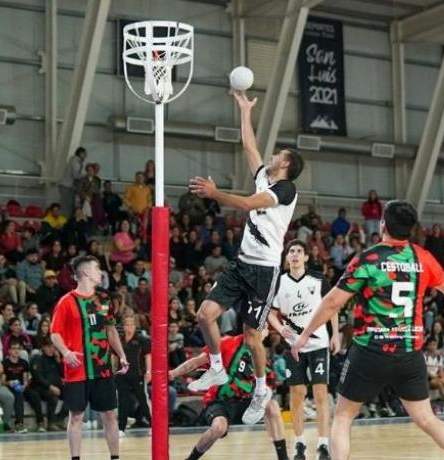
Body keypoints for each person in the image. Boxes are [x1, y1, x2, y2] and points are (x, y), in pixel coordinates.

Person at [292, 200, 444, 460]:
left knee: (343, 416)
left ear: (383, 225)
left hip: (370, 351)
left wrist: (304, 335)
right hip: (409, 352)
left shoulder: (369, 258)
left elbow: (333, 302)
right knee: (426, 418)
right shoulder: (422, 258)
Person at [186, 90, 304, 426]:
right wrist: (244, 111)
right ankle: (217, 369)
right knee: (204, 315)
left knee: (253, 337)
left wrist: (214, 194)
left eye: (278, 155)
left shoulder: (286, 191)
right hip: (241, 264)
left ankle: (262, 389)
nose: (272, 155)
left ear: (286, 165)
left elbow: (248, 205)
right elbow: (249, 147)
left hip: (264, 271)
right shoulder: (265, 178)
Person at [50, 255, 129, 460]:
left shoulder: (104, 299)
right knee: (76, 417)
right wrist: (66, 352)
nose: (100, 272)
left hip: (102, 366)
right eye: (97, 268)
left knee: (109, 415)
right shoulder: (66, 302)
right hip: (77, 369)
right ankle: (75, 458)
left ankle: (115, 457)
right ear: (85, 272)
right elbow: (54, 333)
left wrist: (121, 355)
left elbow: (110, 329)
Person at [268, 239, 340, 460]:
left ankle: (323, 445)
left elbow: (333, 305)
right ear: (287, 257)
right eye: (292, 251)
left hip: (318, 344)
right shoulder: (279, 282)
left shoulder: (318, 279)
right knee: (297, 395)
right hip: (293, 347)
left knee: (320, 394)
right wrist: (280, 328)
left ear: (307, 257)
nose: (295, 254)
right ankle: (299, 444)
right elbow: (270, 312)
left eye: (300, 251)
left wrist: (335, 334)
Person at [169, 333, 289, 460]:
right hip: (219, 401)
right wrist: (173, 373)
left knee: (273, 406)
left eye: (265, 327)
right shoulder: (227, 343)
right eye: (260, 325)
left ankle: (283, 457)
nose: (262, 329)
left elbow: (267, 389)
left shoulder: (262, 359)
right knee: (218, 427)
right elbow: (197, 361)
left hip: (244, 402)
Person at [116, 315, 151, 435]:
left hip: (137, 374)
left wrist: (148, 371)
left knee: (142, 399)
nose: (129, 327)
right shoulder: (119, 340)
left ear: (135, 327)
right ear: (123, 326)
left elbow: (147, 356)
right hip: (122, 375)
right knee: (122, 401)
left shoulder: (142, 339)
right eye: (127, 324)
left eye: (132, 324)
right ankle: (121, 428)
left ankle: (153, 425)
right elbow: (113, 356)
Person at [59, 147, 87, 214]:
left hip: (68, 186)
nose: (86, 156)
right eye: (84, 154)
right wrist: (86, 175)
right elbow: (76, 175)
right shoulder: (75, 161)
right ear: (80, 153)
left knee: (68, 205)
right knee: (66, 206)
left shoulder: (74, 161)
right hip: (66, 186)